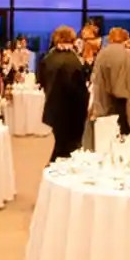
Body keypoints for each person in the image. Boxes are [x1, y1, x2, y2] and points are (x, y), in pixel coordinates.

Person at [90, 28, 130, 136]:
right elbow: (124, 86)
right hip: (123, 105)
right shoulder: (123, 54)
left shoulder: (103, 53)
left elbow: (97, 79)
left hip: (106, 104)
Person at [40, 26, 88, 161]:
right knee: (70, 147)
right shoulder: (74, 60)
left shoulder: (48, 58)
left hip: (52, 106)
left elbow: (41, 80)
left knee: (58, 142)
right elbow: (80, 89)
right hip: (71, 109)